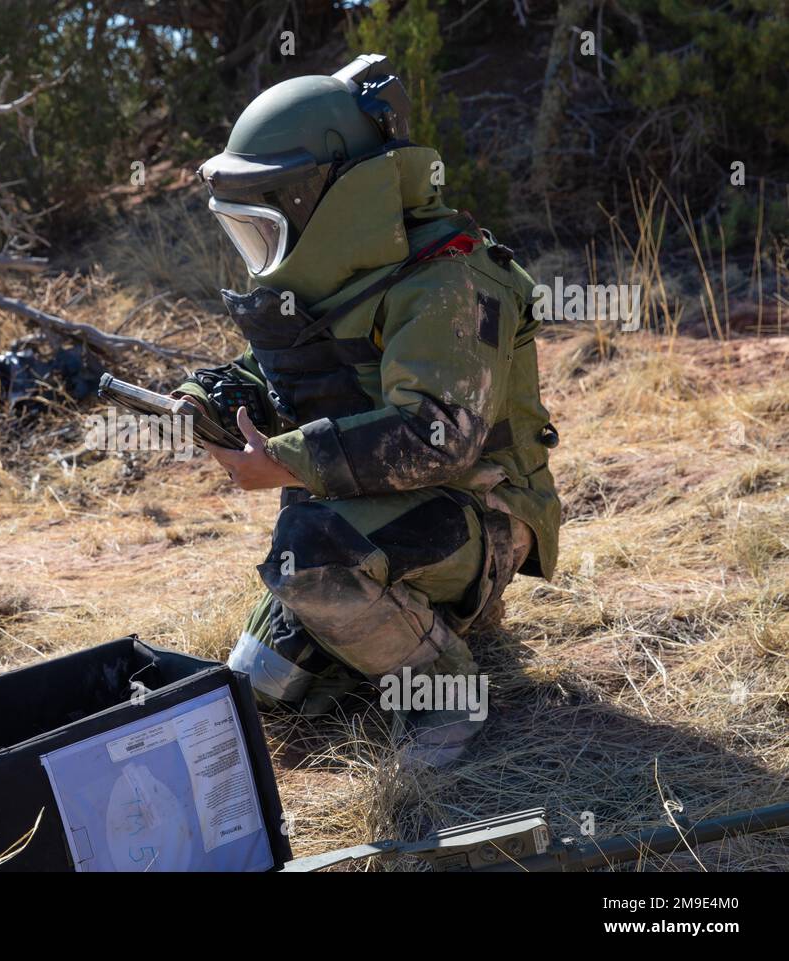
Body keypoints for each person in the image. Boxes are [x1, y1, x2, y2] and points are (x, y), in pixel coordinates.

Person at [172, 55, 561, 767]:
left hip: (484, 515)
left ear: (327, 196)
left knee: (315, 559)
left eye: (267, 222)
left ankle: (449, 689)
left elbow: (436, 438)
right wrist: (214, 399)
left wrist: (283, 462)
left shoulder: (449, 279)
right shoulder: (342, 271)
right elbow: (296, 371)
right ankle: (421, 622)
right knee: (264, 680)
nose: (262, 249)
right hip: (396, 506)